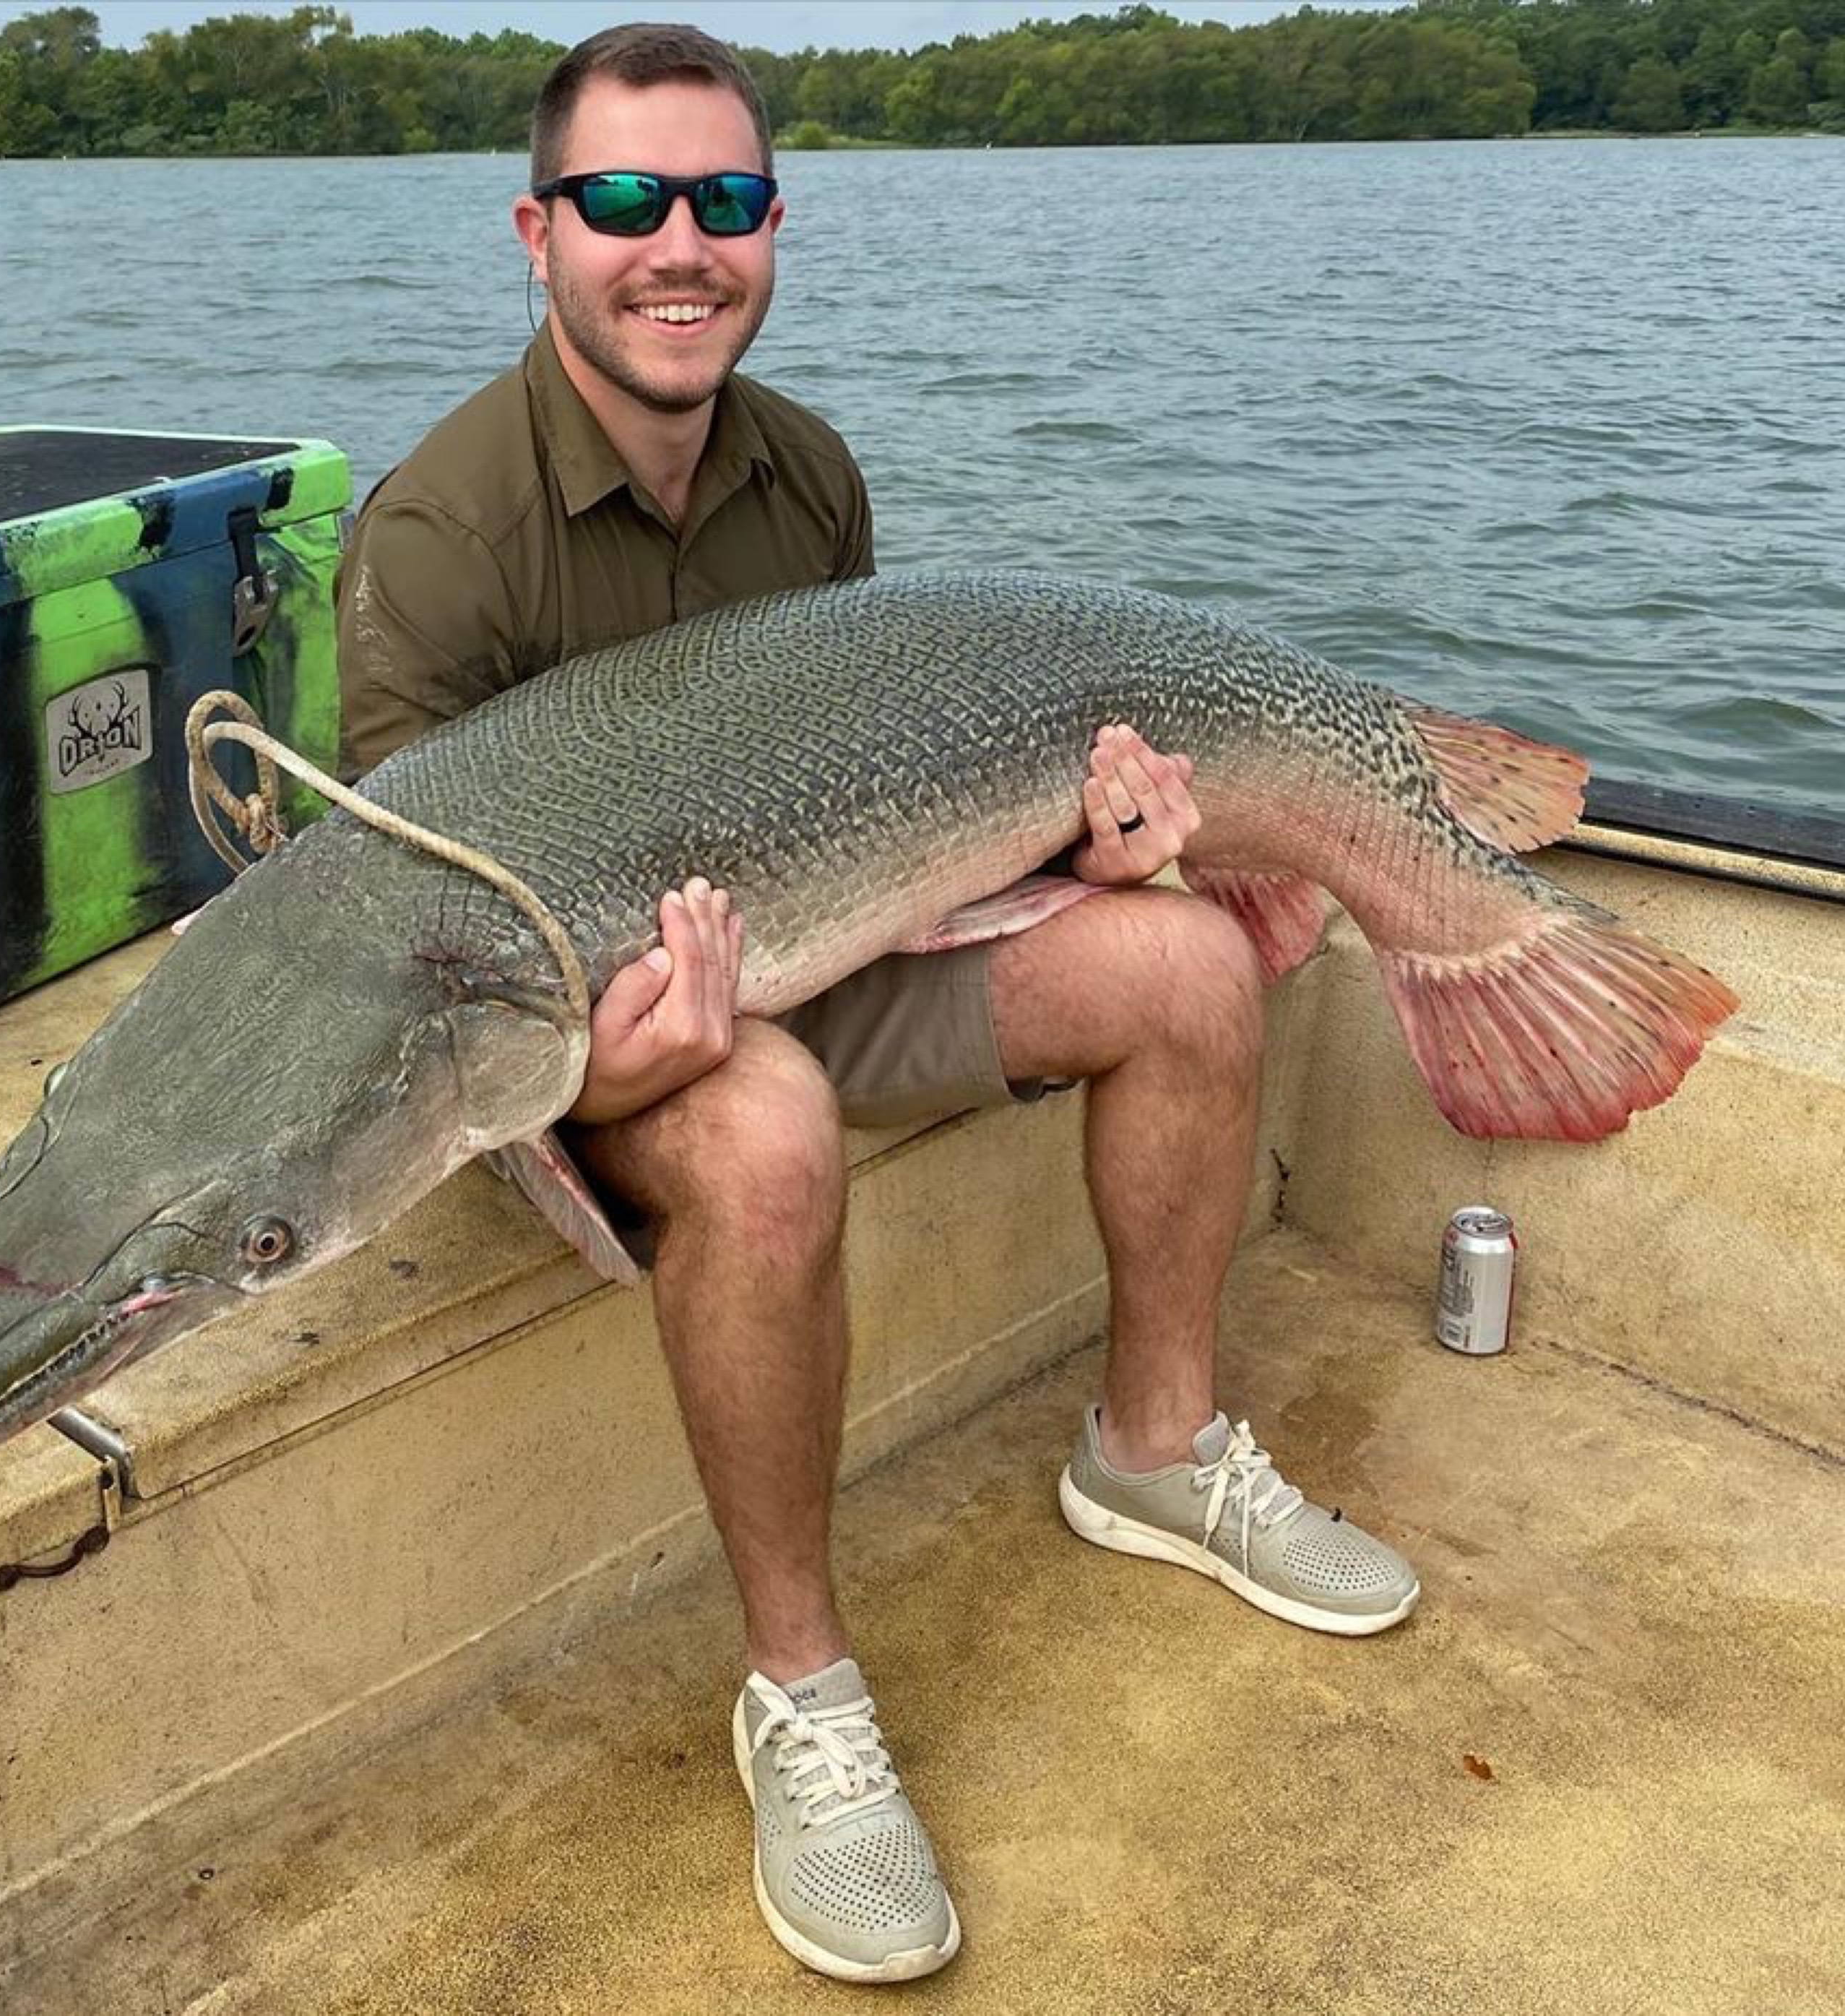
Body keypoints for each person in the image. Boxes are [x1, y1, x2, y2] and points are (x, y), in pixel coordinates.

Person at [337, 23, 1419, 1986]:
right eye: (625, 200)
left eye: (728, 199)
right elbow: (407, 949)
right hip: (572, 1042)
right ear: (537, 231)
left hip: (825, 947)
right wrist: (615, 1060)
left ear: (772, 226)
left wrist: (1088, 848)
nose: (681, 244)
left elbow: (903, 789)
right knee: (759, 1128)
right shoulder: (432, 540)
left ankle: (1156, 1449)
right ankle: (803, 1691)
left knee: (1184, 957)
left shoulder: (809, 469)